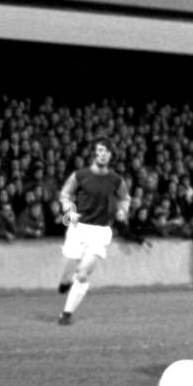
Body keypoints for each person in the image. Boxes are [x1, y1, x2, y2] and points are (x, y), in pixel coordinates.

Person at [54, 139, 130, 325]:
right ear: (94, 154)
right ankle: (65, 281)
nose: (103, 154)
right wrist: (69, 211)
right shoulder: (80, 175)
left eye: (107, 151)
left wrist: (123, 210)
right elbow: (65, 195)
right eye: (100, 150)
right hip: (78, 229)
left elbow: (125, 198)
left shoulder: (116, 180)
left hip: (100, 232)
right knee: (68, 273)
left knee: (82, 273)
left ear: (111, 155)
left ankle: (66, 314)